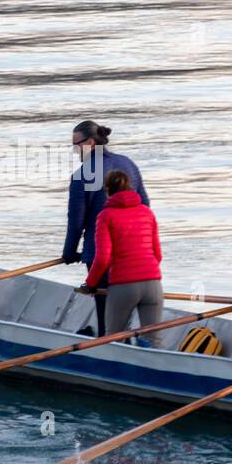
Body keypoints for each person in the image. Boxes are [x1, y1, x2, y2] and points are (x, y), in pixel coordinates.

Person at [62, 121, 149, 334]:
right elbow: (145, 205)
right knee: (127, 307)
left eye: (76, 145)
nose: (74, 151)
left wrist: (69, 252)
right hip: (135, 253)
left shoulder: (82, 175)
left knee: (105, 311)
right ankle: (129, 340)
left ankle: (105, 342)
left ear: (91, 142)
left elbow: (76, 222)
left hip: (101, 253)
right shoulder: (128, 164)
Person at [75, 169, 163, 342]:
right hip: (153, 285)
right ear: (130, 187)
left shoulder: (106, 216)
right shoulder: (147, 212)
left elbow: (102, 259)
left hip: (123, 286)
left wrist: (90, 285)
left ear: (107, 191)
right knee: (153, 340)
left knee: (114, 339)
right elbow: (157, 254)